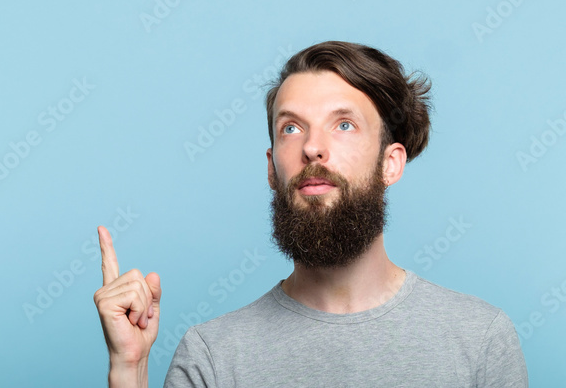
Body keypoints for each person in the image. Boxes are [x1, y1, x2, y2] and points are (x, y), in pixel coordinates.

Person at [93, 41, 529, 387]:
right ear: (271, 168)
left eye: (343, 124)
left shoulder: (480, 341)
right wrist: (128, 370)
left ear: (390, 163)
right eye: (291, 127)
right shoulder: (214, 356)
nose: (312, 147)